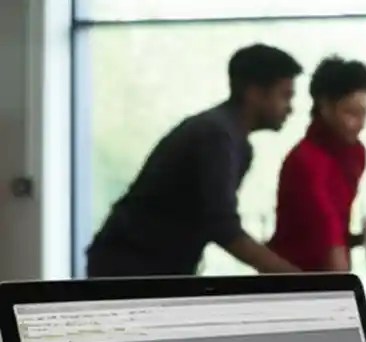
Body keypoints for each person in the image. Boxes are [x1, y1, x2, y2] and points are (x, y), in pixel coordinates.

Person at [86, 44, 303, 277]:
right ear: (254, 93)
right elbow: (223, 227)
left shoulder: (233, 141)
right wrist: (293, 276)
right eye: (284, 96)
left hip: (151, 264)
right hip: (132, 267)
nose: (290, 109)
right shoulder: (216, 137)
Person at [269, 55, 366, 272]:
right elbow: (325, 228)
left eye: (364, 113)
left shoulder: (356, 153)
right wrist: (341, 291)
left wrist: (359, 239)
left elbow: (335, 229)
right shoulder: (306, 161)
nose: (360, 124)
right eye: (350, 113)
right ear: (325, 106)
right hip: (294, 279)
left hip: (330, 271)